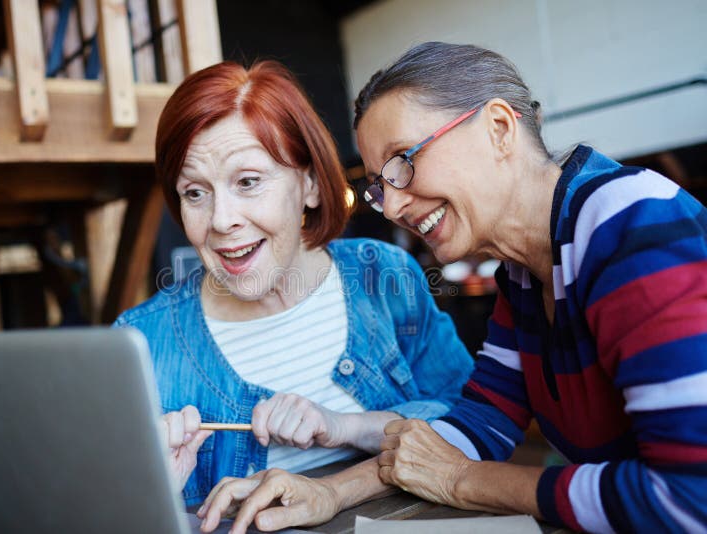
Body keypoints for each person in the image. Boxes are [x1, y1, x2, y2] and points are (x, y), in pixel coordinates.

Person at [197, 42, 707, 533]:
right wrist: (330, 493)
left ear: (499, 129)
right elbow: (480, 424)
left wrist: (465, 481)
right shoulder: (523, 275)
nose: (392, 207)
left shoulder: (629, 223)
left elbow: (688, 497)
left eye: (403, 161)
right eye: (379, 186)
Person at [113, 59, 473, 507]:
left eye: (248, 182)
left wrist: (346, 426)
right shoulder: (142, 343)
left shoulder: (384, 276)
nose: (221, 220)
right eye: (195, 192)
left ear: (310, 184)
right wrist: (150, 493)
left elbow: (470, 417)